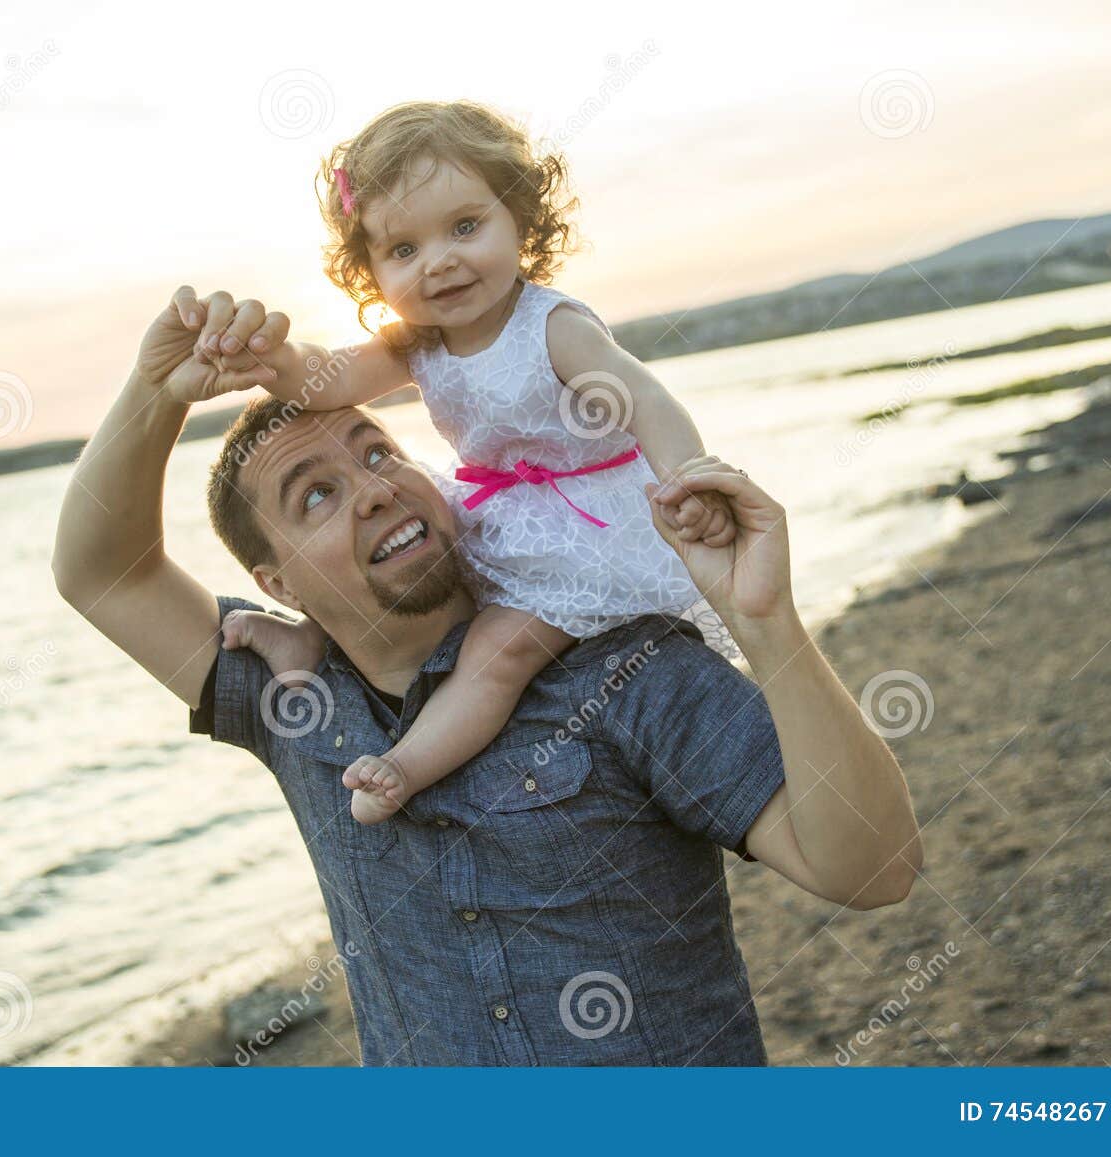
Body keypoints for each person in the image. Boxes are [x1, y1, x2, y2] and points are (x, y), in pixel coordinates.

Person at [51, 285, 924, 1065]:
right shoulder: (294, 701)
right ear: (277, 586)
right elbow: (102, 573)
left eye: (377, 453)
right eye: (316, 495)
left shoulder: (626, 663)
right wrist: (155, 388)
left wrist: (768, 625)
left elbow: (872, 868)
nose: (374, 490)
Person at [203, 100, 740, 826]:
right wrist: (275, 358)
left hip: (588, 521)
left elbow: (645, 399)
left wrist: (689, 479)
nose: (440, 261)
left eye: (464, 227)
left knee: (496, 649)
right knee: (395, 576)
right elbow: (327, 378)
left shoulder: (551, 327)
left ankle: (404, 767)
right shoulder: (416, 341)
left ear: (519, 218)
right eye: (404, 250)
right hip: (500, 510)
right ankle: (313, 638)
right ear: (372, 272)